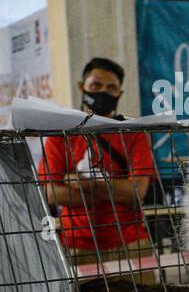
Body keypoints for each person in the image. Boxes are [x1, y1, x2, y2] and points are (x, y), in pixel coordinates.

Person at [38, 58, 158, 269]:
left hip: (131, 244)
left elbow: (137, 192)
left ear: (119, 93)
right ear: (82, 87)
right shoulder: (60, 135)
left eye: (111, 88)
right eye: (96, 85)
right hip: (77, 246)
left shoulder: (133, 133)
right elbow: (49, 193)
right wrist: (115, 190)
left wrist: (85, 184)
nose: (103, 92)